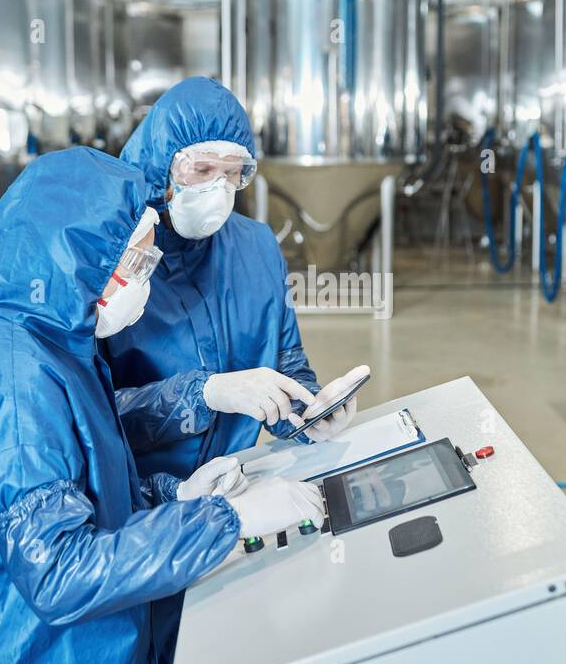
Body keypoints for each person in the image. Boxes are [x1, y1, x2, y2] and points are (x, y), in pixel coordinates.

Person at [0, 146, 324, 664]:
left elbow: (90, 497)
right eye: (135, 261)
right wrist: (226, 522)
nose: (145, 276)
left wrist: (175, 497)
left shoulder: (59, 348)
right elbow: (58, 571)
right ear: (80, 259)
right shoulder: (13, 386)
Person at [104, 76, 369, 477]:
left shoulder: (257, 247)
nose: (219, 188)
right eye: (202, 169)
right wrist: (205, 395)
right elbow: (90, 420)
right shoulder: (115, 258)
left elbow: (286, 364)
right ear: (160, 166)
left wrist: (309, 413)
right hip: (138, 505)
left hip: (237, 482)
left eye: (232, 173)